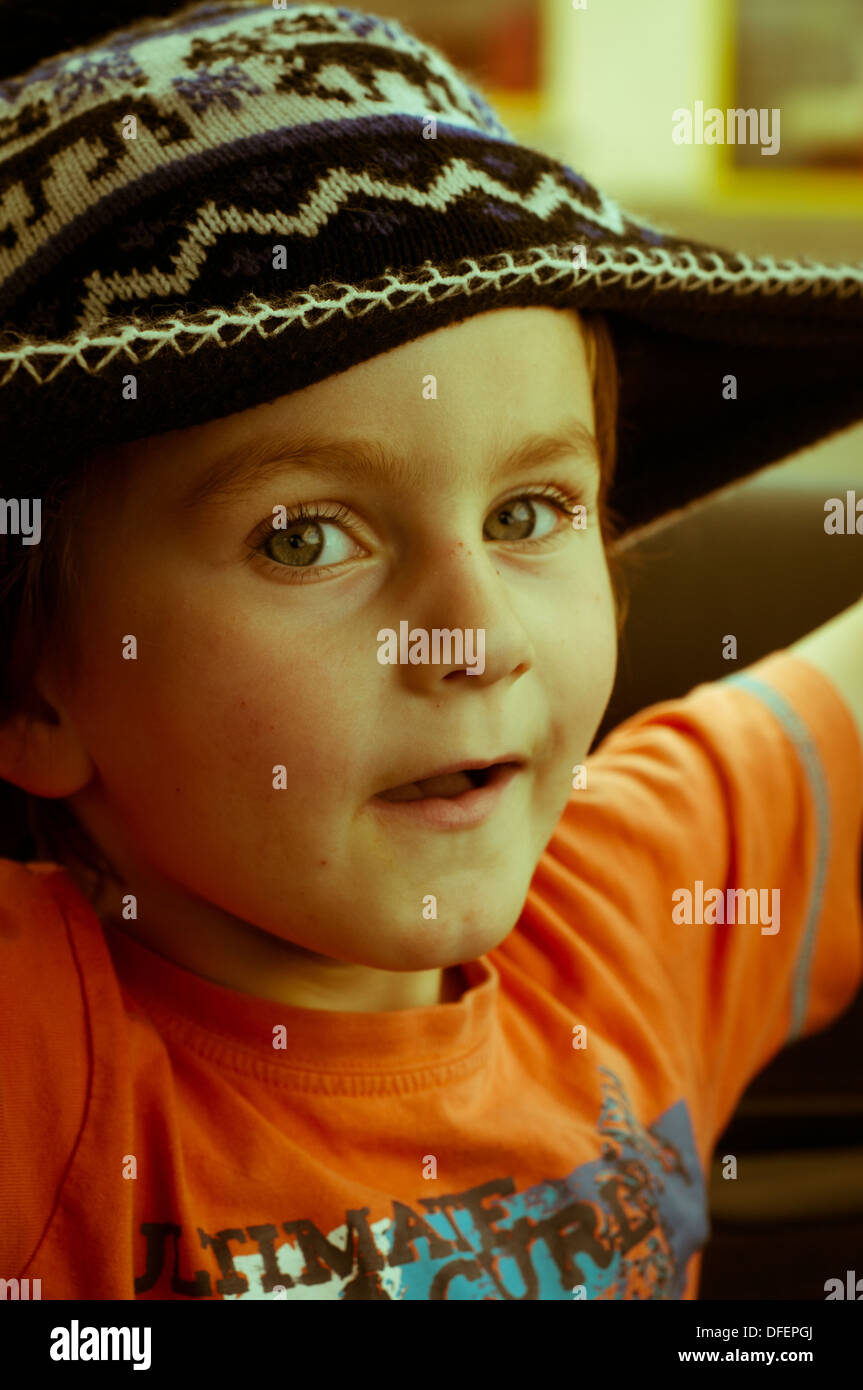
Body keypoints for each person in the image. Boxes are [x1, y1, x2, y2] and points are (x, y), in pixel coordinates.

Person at [0, 0, 861, 1301]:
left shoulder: (624, 913)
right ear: (30, 687)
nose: (476, 635)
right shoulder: (48, 1052)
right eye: (305, 539)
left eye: (529, 513)